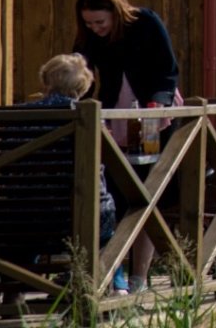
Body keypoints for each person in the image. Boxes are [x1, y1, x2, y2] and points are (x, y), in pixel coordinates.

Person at [71, 0, 179, 292]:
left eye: (100, 22)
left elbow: (168, 70)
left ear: (115, 12)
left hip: (153, 113)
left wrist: (158, 104)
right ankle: (111, 274)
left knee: (147, 194)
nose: (95, 28)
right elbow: (81, 75)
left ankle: (139, 278)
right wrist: (80, 106)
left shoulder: (146, 22)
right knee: (115, 196)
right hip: (114, 115)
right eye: (89, 23)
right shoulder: (88, 36)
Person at [21, 54, 129, 294]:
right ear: (83, 87)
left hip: (25, 215)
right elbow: (111, 162)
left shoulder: (20, 115)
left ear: (46, 81)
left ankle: (18, 281)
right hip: (80, 215)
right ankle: (118, 284)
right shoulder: (88, 117)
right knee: (107, 210)